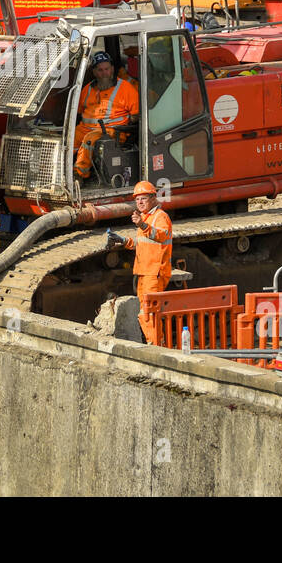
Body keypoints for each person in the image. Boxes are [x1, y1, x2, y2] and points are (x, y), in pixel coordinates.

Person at [73, 51, 139, 180]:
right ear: (94, 72)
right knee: (68, 139)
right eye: (100, 70)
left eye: (107, 69)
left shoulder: (126, 88)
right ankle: (63, 170)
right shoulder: (87, 89)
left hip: (112, 131)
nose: (104, 73)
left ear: (112, 69)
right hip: (86, 128)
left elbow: (136, 116)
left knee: (89, 139)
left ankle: (80, 175)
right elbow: (80, 112)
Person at [124, 180, 172, 344]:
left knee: (148, 313)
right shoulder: (145, 218)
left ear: (153, 198)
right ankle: (155, 344)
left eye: (143, 198)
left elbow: (160, 235)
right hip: (144, 272)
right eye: (137, 200)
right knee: (145, 313)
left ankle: (157, 346)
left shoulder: (160, 217)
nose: (140, 202)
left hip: (155, 272)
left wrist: (142, 224)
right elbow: (141, 244)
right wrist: (124, 241)